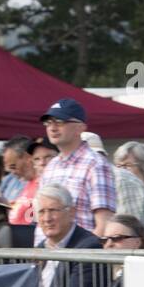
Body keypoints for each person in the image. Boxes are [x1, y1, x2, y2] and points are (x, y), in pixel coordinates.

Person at [33, 184, 103, 287]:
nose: (47, 218)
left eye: (53, 210)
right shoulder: (41, 247)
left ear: (71, 212)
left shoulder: (88, 247)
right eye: (41, 212)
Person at [37, 98, 115, 237]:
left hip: (80, 255)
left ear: (80, 127)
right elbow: (40, 220)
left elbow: (104, 225)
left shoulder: (96, 165)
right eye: (48, 122)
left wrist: (80, 255)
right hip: (48, 254)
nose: (52, 128)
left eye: (60, 122)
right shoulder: (50, 167)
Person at [0, 136, 33, 202]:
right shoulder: (9, 179)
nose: (11, 171)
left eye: (13, 166)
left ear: (27, 157)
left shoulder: (42, 181)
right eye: (8, 167)